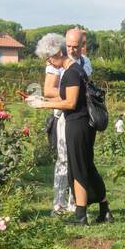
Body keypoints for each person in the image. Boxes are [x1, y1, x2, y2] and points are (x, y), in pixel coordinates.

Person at [30, 50, 110, 226]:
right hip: (82, 123)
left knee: (78, 169)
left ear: (59, 52)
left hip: (78, 124)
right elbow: (65, 96)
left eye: (49, 58)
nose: (48, 62)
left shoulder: (72, 73)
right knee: (87, 167)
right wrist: (43, 99)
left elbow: (70, 103)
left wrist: (43, 105)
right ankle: (105, 210)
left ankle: (81, 217)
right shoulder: (75, 70)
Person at [35, 33, 74, 216]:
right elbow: (49, 91)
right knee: (64, 159)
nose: (48, 62)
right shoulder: (55, 66)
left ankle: (76, 203)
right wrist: (69, 95)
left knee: (79, 161)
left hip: (79, 117)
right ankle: (59, 204)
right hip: (64, 115)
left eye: (77, 45)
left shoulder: (80, 64)